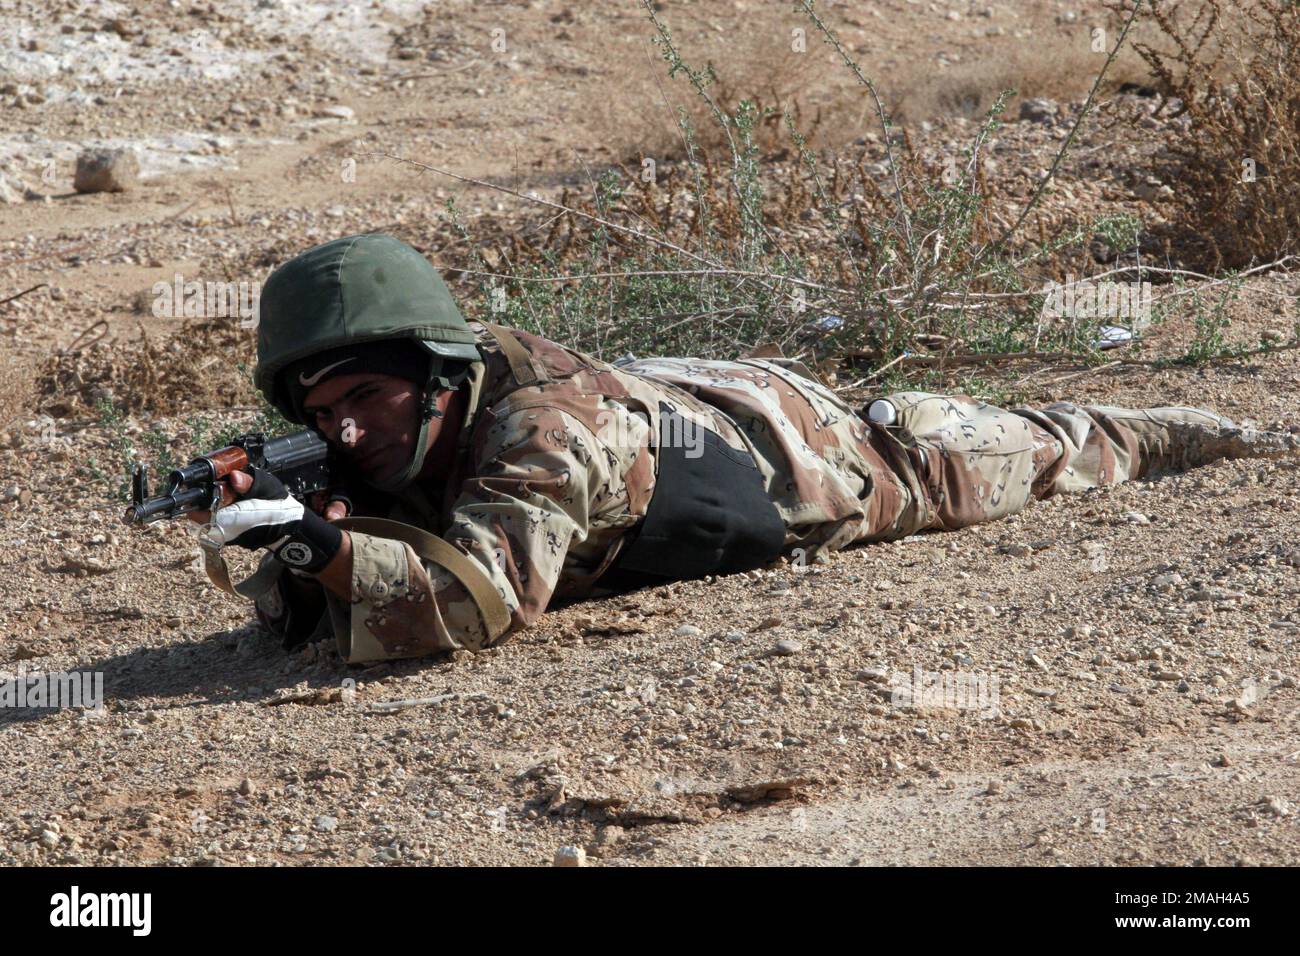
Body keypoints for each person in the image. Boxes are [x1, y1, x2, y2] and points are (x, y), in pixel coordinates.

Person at [189, 234, 1300, 663]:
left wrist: (328, 554)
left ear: (438, 374)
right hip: (671, 408)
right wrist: (298, 540)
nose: (346, 429)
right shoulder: (368, 435)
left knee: (1011, 453)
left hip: (804, 452)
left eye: (370, 398)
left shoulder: (541, 427)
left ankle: (1201, 428)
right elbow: (315, 615)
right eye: (321, 409)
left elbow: (477, 608)